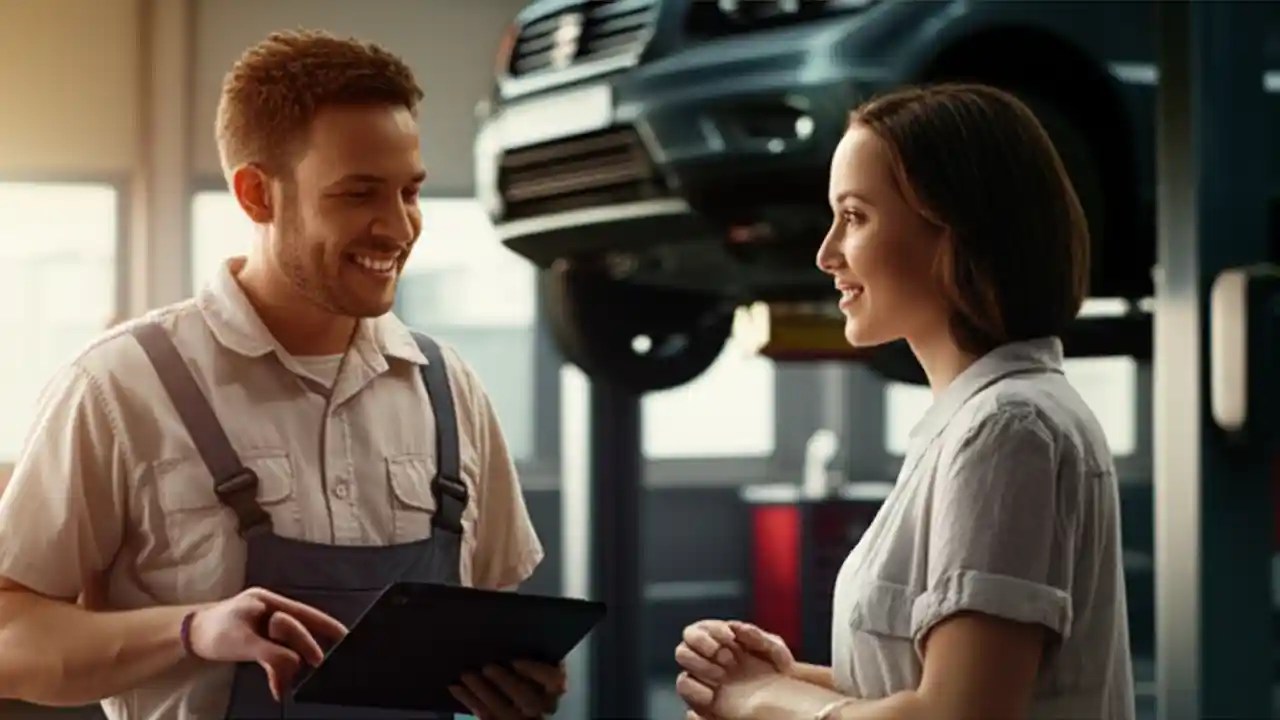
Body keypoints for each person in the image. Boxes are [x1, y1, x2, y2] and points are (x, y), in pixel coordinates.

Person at [0, 29, 563, 720]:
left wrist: (511, 691)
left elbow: (485, 623)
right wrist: (191, 630)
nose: (398, 227)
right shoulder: (121, 387)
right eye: (359, 194)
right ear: (257, 196)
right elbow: (9, 636)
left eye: (409, 192)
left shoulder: (449, 388)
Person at [673, 83, 1136, 720]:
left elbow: (956, 715)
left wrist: (757, 699)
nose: (826, 252)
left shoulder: (1007, 429)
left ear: (954, 232)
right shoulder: (975, 426)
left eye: (855, 216)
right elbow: (916, 686)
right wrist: (777, 678)